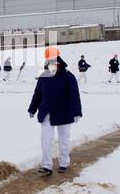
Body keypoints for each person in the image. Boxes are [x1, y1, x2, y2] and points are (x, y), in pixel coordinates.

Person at [28, 46, 82, 175]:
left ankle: (64, 163)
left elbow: (74, 95)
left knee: (64, 139)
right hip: (47, 112)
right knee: (45, 138)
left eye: (54, 63)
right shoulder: (44, 76)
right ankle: (47, 166)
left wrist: (76, 112)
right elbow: (38, 94)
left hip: (64, 112)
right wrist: (32, 108)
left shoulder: (68, 77)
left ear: (59, 62)